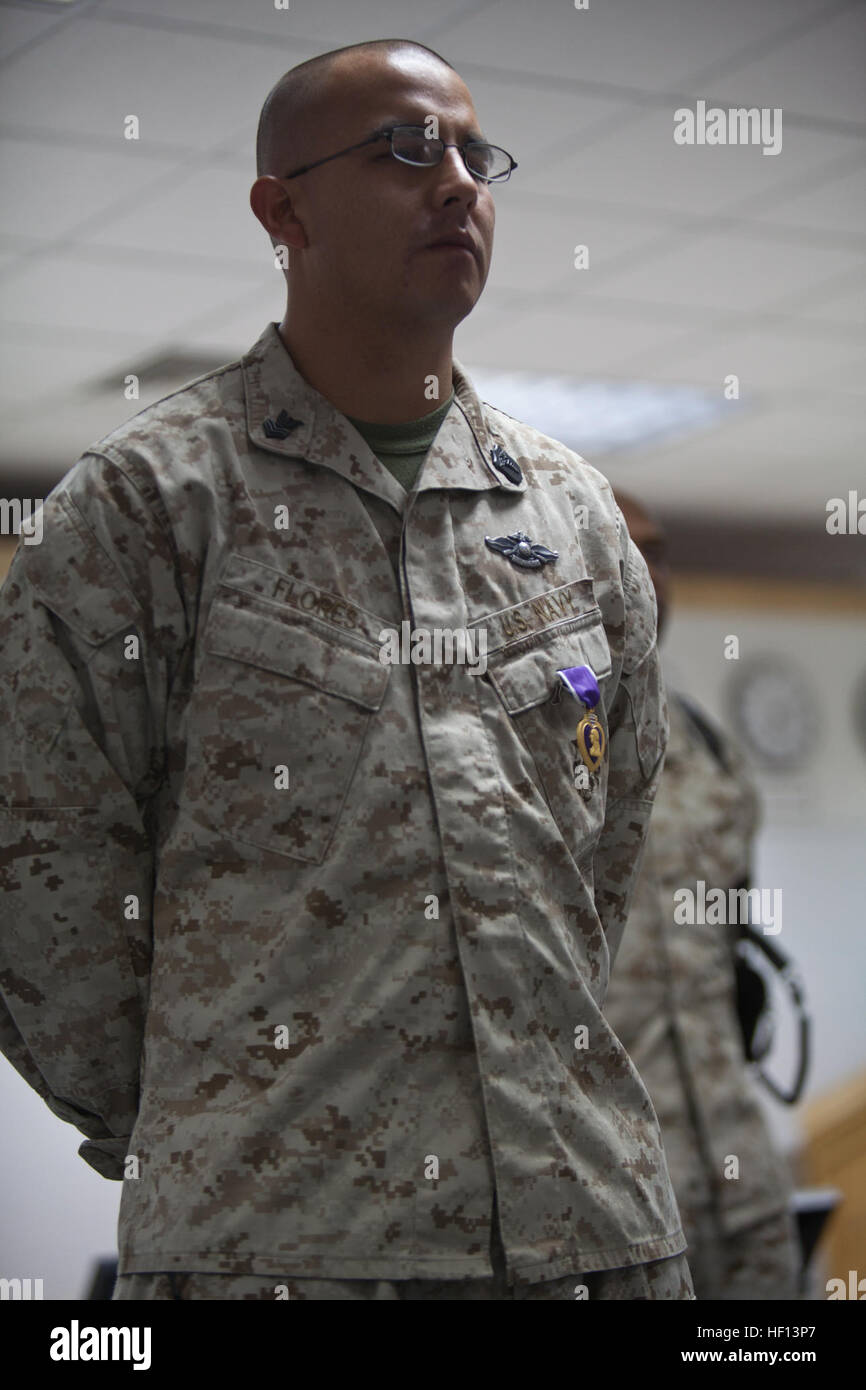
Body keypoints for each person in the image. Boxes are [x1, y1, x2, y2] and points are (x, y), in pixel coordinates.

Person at [0, 39, 691, 1301]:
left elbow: (605, 842)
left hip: (588, 1233)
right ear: (282, 209)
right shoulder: (149, 503)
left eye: (475, 157)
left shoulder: (579, 517)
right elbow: (41, 868)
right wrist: (202, 1119)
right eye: (406, 149)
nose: (458, 185)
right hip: (278, 1249)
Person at [603, 490, 801, 1299]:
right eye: (627, 549)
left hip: (743, 1179)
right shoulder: (525, 750)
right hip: (615, 1198)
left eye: (661, 552)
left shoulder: (708, 749)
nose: (651, 574)